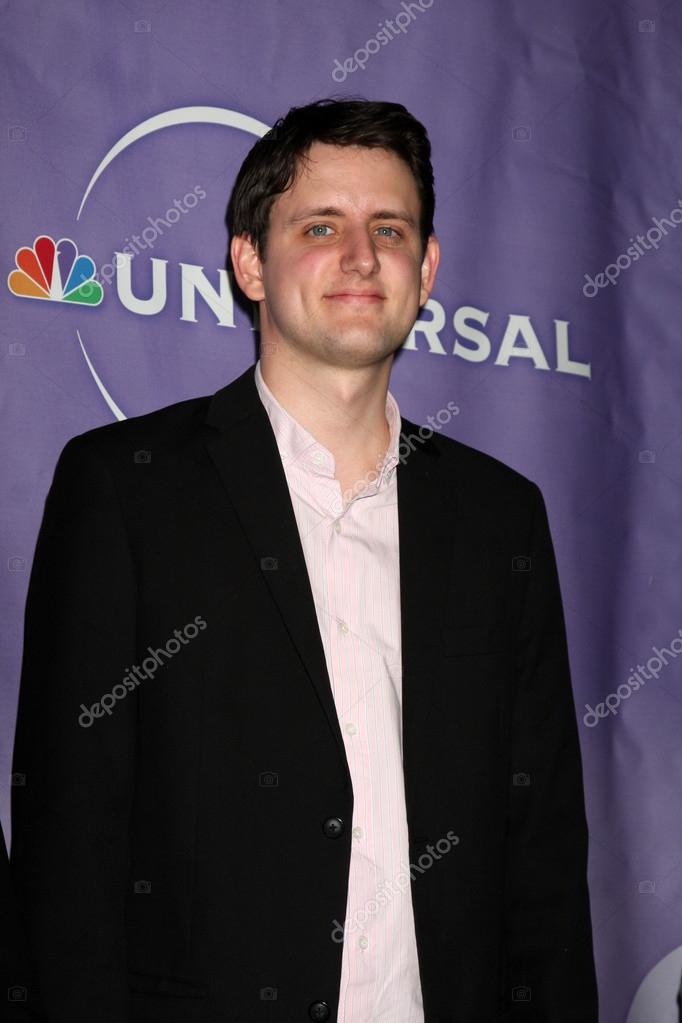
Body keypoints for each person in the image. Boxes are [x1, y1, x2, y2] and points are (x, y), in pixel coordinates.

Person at [10, 98, 598, 1022]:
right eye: (321, 225)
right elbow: (67, 848)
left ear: (427, 269)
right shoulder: (124, 491)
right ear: (250, 262)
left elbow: (545, 855)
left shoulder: (501, 518)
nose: (361, 257)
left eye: (390, 229)